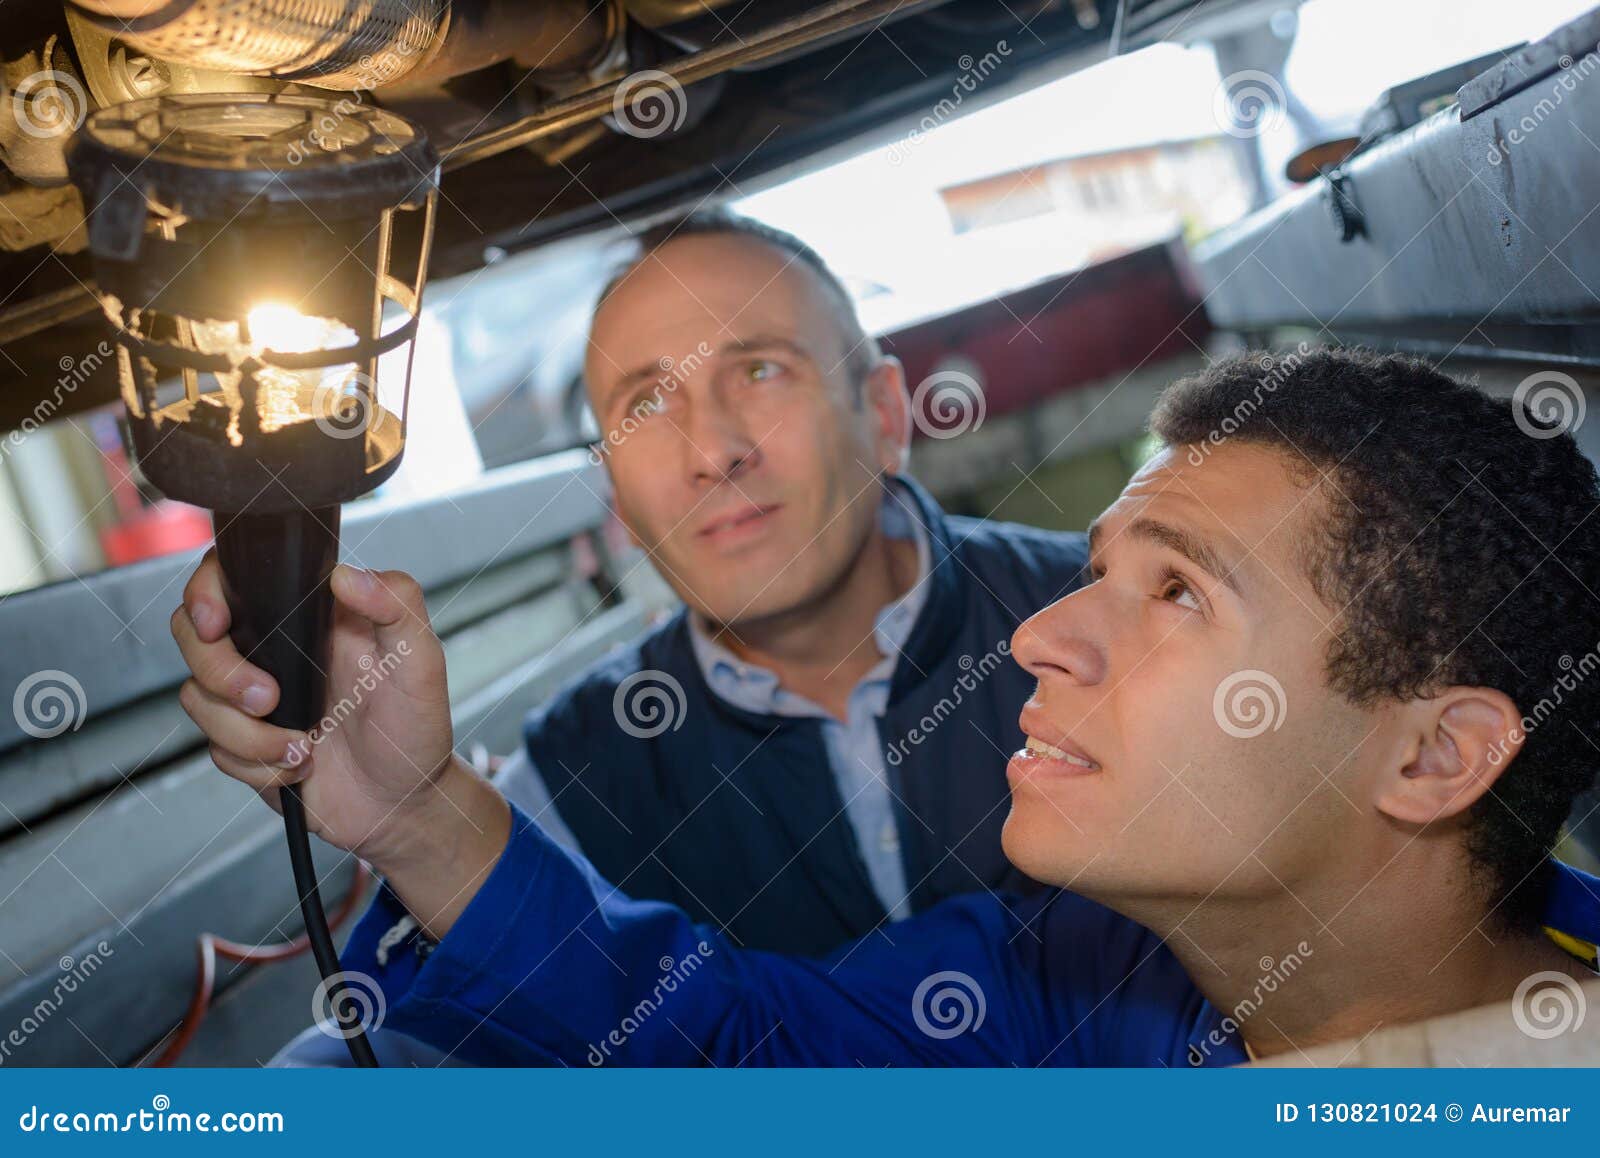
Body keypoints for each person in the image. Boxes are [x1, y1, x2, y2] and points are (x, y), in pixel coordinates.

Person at [176, 347, 1600, 1065]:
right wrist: (420, 812)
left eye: (1176, 594)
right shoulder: (1072, 982)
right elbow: (741, 1055)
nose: (1040, 633)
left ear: (1434, 752)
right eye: (1094, 573)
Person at [173, 211, 1092, 1061]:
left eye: (761, 370)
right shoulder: (573, 782)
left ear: (885, 414)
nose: (712, 449)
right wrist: (417, 819)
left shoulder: (1104, 629)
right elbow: (400, 1051)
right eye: (646, 406)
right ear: (614, 492)